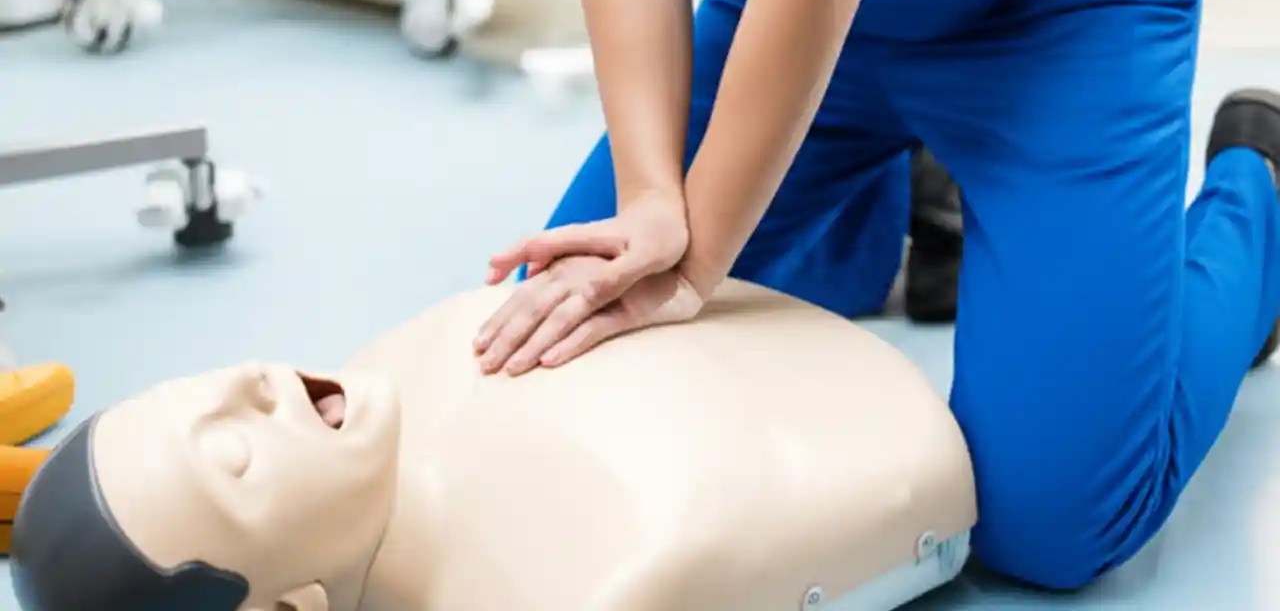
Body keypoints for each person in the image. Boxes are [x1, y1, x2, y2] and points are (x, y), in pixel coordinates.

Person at [471, 0, 1280, 592]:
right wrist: (650, 198)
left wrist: (696, 263)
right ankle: (868, 217)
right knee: (565, 348)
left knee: (1054, 519)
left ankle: (1260, 199)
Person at [10, 281, 976, 611]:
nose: (253, 383)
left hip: (805, 351)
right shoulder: (574, 585)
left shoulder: (391, 366)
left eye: (200, 387)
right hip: (890, 431)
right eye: (236, 457)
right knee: (1066, 528)